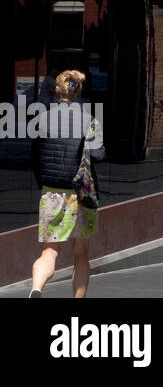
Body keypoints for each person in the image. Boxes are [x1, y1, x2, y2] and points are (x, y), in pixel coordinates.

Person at [30, 70, 104, 298]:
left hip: (51, 193)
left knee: (49, 252)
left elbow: (35, 156)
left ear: (57, 90)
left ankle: (36, 288)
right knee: (81, 254)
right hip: (81, 195)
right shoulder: (90, 120)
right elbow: (99, 154)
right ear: (79, 91)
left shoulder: (42, 119)